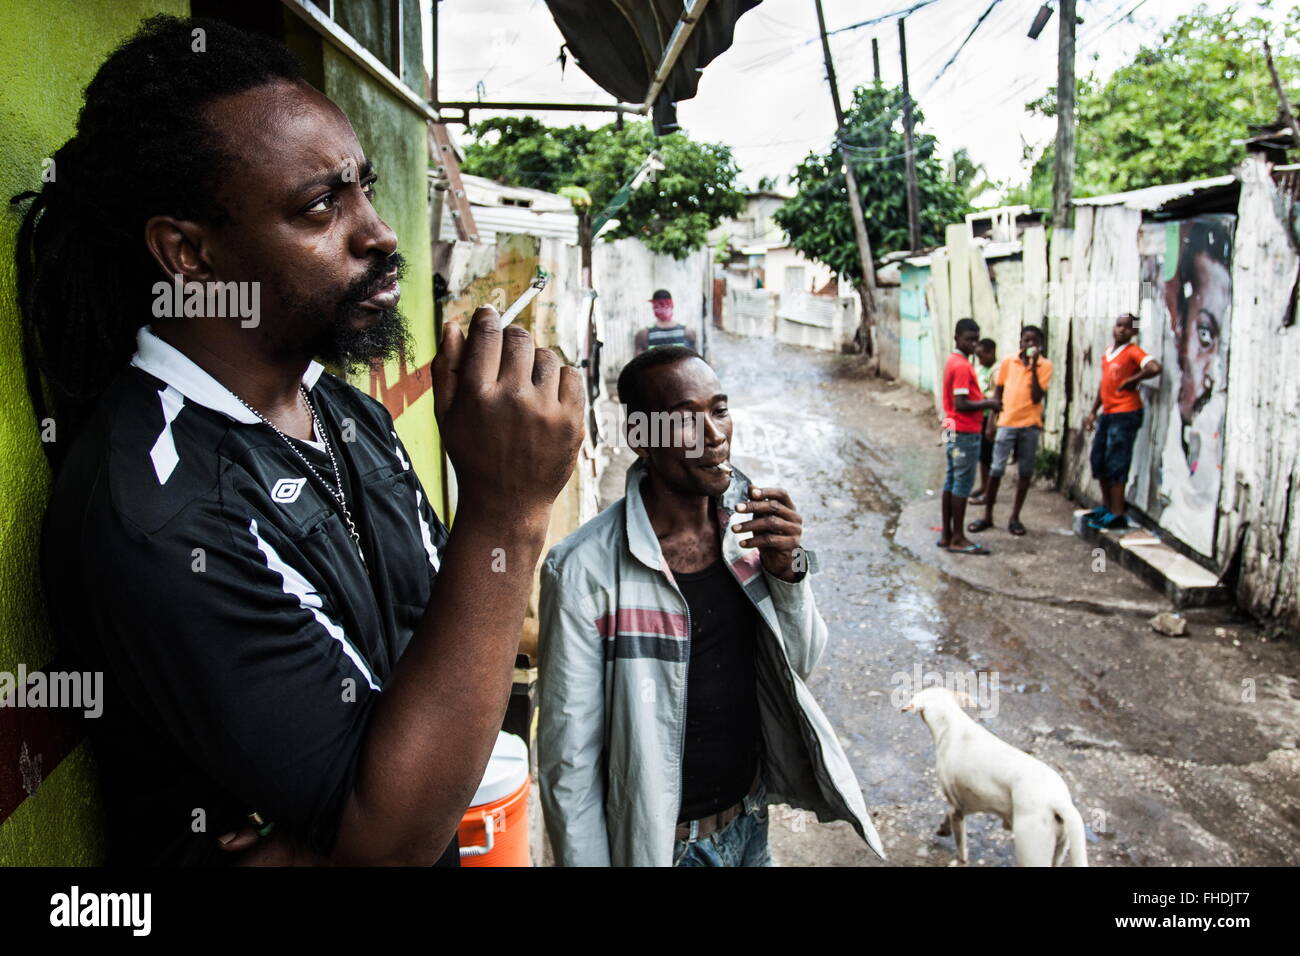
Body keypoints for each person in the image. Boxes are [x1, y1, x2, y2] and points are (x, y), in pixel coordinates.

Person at [13, 17, 584, 866]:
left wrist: (340, 826)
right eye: (320, 206)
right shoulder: (159, 511)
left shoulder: (345, 411)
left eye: (363, 188)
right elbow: (389, 838)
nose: (379, 233)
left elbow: (445, 672)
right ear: (190, 255)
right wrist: (505, 512)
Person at [536, 346, 885, 867]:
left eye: (719, 409)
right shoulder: (583, 571)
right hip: (667, 849)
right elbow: (569, 764)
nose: (714, 434)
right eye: (683, 418)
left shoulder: (750, 536)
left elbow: (802, 663)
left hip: (749, 824)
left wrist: (787, 571)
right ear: (641, 439)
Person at [968, 325, 1052, 536]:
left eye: (1034, 341)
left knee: (1025, 472)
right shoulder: (1008, 362)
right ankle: (988, 515)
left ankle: (1015, 517)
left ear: (1040, 345)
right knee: (996, 469)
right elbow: (999, 391)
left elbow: (1036, 397)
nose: (1029, 345)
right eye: (1026, 340)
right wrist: (991, 423)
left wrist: (1033, 368)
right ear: (1020, 342)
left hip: (1030, 425)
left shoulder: (1045, 365)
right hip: (1006, 422)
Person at [1085, 313, 1161, 530]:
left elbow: (1154, 367)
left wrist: (1133, 380)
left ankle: (1118, 513)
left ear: (1134, 332)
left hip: (1126, 412)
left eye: (1128, 327)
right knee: (1099, 459)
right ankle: (1108, 507)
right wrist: (1093, 411)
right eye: (1119, 325)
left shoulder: (1132, 352)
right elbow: (1104, 385)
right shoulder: (1108, 353)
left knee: (1117, 461)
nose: (1121, 330)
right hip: (1108, 412)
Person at [939, 319, 1001, 555]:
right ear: (957, 338)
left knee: (952, 479)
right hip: (964, 429)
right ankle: (957, 537)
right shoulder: (962, 366)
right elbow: (961, 403)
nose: (974, 344)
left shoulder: (953, 361)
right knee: (962, 483)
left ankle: (947, 534)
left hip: (953, 426)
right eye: (968, 339)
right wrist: (989, 402)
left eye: (976, 339)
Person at [968, 337, 998, 504]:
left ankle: (988, 491)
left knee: (988, 456)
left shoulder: (996, 371)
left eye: (981, 356)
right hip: (979, 417)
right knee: (983, 455)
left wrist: (990, 424)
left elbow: (995, 398)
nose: (979, 360)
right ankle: (983, 485)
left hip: (988, 418)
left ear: (991, 352)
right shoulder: (981, 369)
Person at [633, 288, 697, 354]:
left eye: (664, 305)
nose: (662, 309)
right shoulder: (687, 332)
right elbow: (695, 361)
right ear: (672, 305)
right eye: (660, 305)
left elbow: (637, 362)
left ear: (653, 307)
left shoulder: (644, 334)